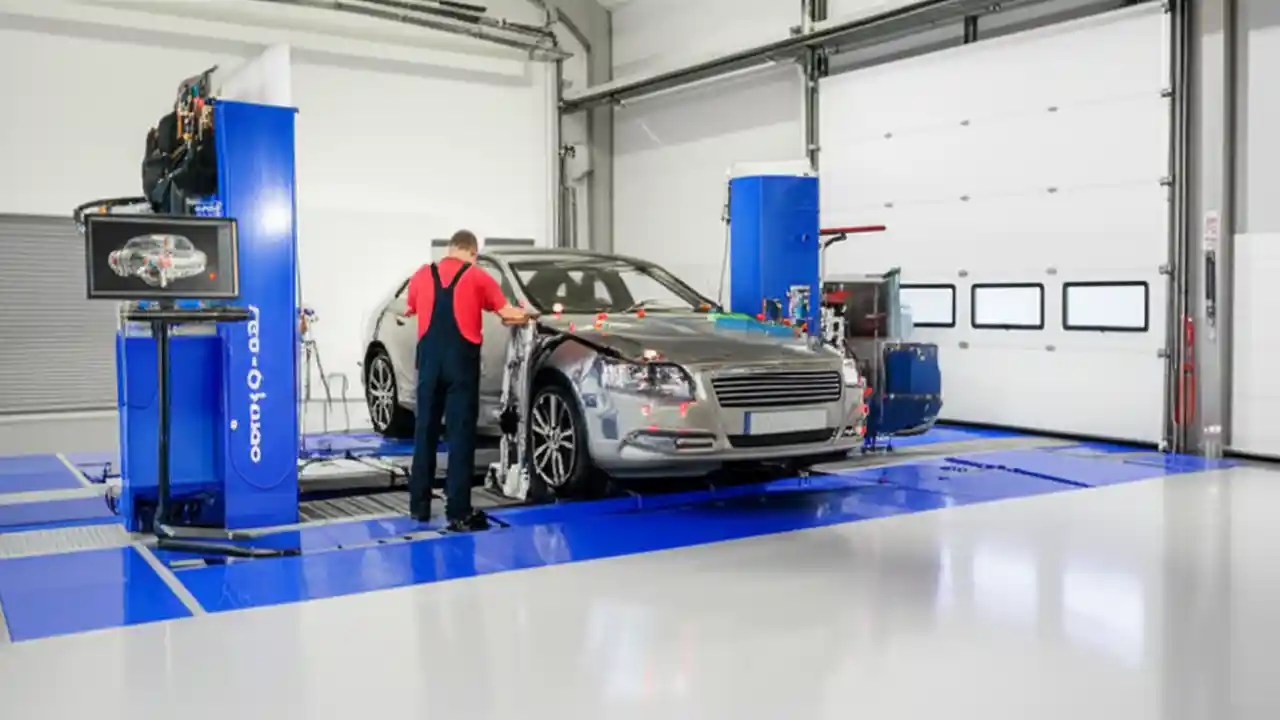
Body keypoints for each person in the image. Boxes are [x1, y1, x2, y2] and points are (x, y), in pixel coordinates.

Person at [404, 229, 531, 531]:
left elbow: (411, 308)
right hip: (461, 366)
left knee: (425, 433)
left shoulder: (421, 275)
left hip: (430, 365)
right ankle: (458, 511)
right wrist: (529, 315)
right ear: (473, 253)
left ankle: (418, 506)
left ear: (450, 249)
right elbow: (507, 313)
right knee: (460, 437)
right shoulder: (478, 277)